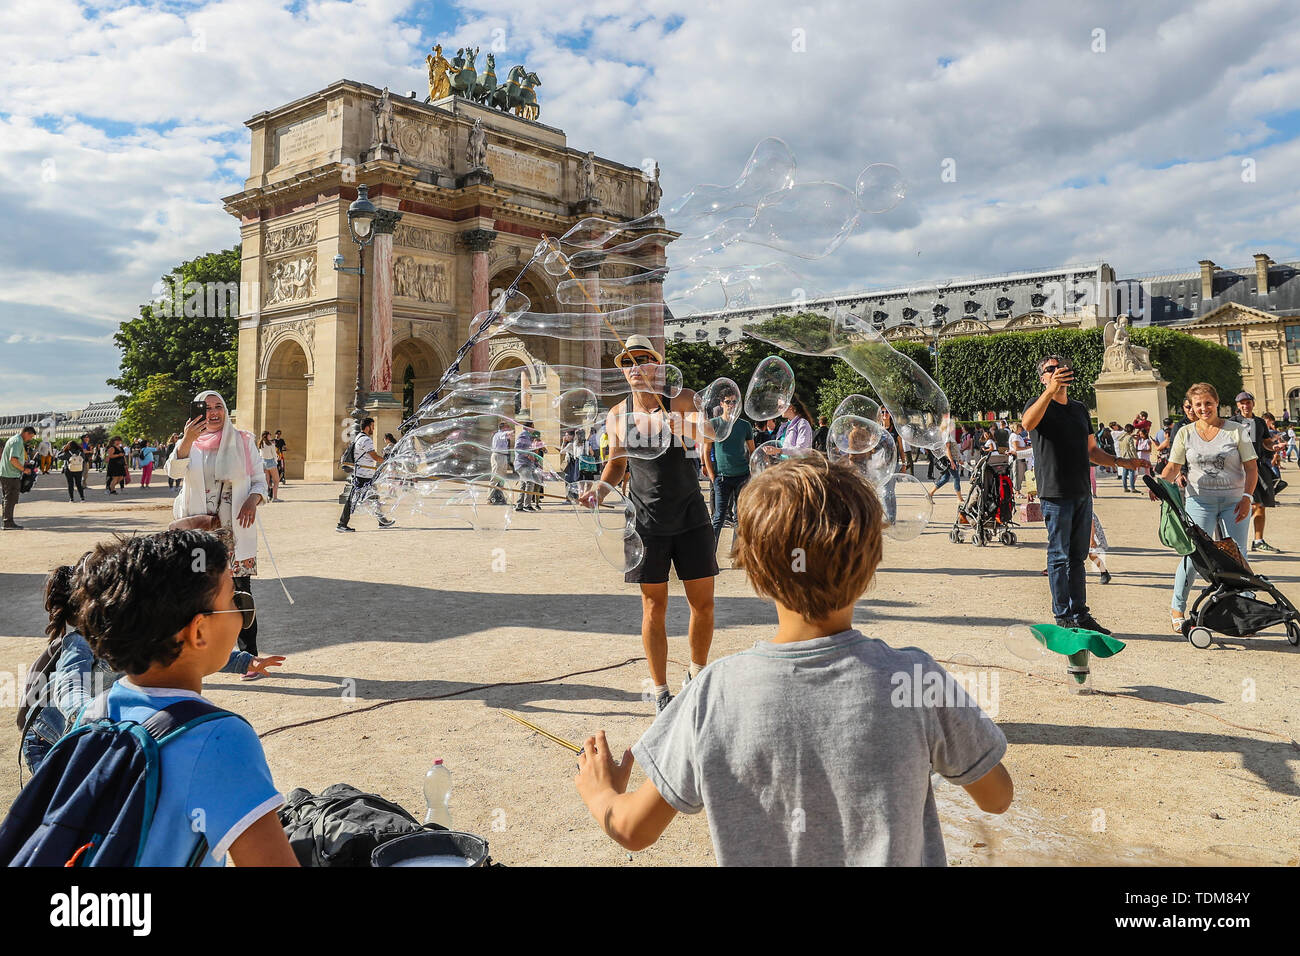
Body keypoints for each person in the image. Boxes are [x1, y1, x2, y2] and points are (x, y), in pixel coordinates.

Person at [574, 457, 1013, 864]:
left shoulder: (715, 691)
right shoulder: (916, 679)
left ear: (755, 571)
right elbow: (997, 797)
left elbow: (632, 829)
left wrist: (602, 793)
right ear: (871, 564)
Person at [65, 531, 298, 865]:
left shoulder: (96, 711)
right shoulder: (220, 738)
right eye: (235, 601)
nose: (242, 617)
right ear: (199, 631)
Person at [20, 549, 285, 773]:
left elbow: (181, 648)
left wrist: (243, 662)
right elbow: (68, 686)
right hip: (51, 741)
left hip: (98, 735)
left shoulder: (140, 628)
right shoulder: (79, 642)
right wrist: (87, 716)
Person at [580, 335, 717, 714]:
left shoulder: (683, 399)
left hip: (690, 515)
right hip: (644, 520)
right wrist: (600, 490)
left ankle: (697, 674)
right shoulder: (617, 414)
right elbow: (617, 463)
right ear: (622, 370)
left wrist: (684, 425)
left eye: (643, 358)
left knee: (702, 604)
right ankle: (660, 691)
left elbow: (711, 434)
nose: (636, 366)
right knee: (653, 607)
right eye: (628, 361)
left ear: (658, 364)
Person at [1022, 355, 1147, 634]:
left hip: (1081, 491)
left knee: (1078, 556)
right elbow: (1028, 424)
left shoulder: (1079, 410)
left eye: (1060, 368)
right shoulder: (1037, 404)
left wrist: (1121, 462)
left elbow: (1092, 450)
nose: (1056, 372)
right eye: (1049, 370)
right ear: (1043, 377)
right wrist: (1049, 393)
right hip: (1054, 492)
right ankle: (1062, 614)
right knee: (1058, 555)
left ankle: (1080, 613)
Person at [169, 390, 270, 668]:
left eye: (218, 406)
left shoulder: (244, 441)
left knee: (240, 596)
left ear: (225, 410)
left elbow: (260, 481)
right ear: (198, 411)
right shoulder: (190, 444)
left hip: (236, 533)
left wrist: (253, 498)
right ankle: (197, 657)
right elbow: (174, 473)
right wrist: (188, 440)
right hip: (201, 535)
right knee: (197, 594)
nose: (213, 412)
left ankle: (249, 658)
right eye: (206, 407)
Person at [1162, 383, 1258, 632]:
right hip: (1199, 501)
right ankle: (1177, 608)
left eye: (1208, 403)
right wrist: (1160, 485)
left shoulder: (1236, 430)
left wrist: (1247, 497)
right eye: (1198, 404)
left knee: (1237, 556)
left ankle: (1242, 607)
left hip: (1234, 501)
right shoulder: (1185, 432)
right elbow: (1173, 467)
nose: (1203, 408)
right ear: (1191, 408)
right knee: (1193, 556)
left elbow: (1251, 468)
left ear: (1217, 403)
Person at [1228, 392, 1281, 553]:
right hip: (1238, 469)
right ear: (1237, 406)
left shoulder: (1259, 422)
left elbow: (1266, 442)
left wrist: (1274, 447)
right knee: (1252, 504)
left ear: (1253, 404)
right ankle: (1231, 534)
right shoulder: (1231, 422)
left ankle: (1258, 540)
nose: (1245, 405)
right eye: (1242, 403)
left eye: (1248, 402)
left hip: (1256, 467)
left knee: (1261, 505)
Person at [701, 395, 755, 552]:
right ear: (721, 404)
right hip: (722, 477)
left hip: (742, 476)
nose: (731, 405)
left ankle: (736, 555)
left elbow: (752, 450)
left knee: (740, 517)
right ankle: (709, 554)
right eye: (728, 402)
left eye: (734, 402)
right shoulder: (714, 424)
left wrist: (751, 472)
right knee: (718, 517)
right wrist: (712, 476)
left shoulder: (744, 425)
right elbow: (707, 450)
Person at [337, 417, 395, 532]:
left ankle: (382, 521)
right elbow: (374, 456)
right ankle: (342, 524)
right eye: (372, 426)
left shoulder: (359, 437)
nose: (373, 429)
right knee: (352, 499)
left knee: (374, 497)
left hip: (364, 474)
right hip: (363, 475)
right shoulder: (366, 440)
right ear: (367, 427)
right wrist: (386, 460)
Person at [2, 426, 37, 529]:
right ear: (26, 433)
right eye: (30, 436)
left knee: (8, 498)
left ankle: (8, 522)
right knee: (10, 499)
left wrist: (23, 463)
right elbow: (13, 459)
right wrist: (23, 469)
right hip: (10, 474)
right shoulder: (17, 441)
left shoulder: (14, 439)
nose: (30, 439)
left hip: (7, 473)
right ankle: (8, 523)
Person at [926, 417, 963, 504]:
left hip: (951, 459)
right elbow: (947, 449)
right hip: (950, 460)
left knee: (945, 478)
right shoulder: (946, 435)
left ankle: (930, 494)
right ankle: (959, 498)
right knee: (956, 478)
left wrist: (958, 459)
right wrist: (952, 461)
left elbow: (952, 449)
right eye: (952, 424)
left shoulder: (947, 434)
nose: (954, 425)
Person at [514, 420, 542, 512]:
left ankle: (519, 505)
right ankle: (527, 505)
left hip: (525, 463)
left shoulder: (527, 436)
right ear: (529, 427)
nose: (534, 428)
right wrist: (528, 455)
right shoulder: (524, 435)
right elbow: (518, 448)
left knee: (524, 484)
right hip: (523, 464)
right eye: (533, 426)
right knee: (530, 482)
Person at [488, 420, 513, 505]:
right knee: (495, 477)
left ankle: (499, 496)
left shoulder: (503, 435)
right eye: (507, 426)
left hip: (503, 456)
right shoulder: (499, 434)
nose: (509, 428)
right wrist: (513, 430)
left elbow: (508, 436)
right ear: (503, 427)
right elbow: (507, 434)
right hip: (498, 456)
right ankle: (490, 497)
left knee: (502, 478)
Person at [258, 430, 280, 502]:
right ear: (266, 436)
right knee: (276, 481)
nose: (270, 436)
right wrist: (276, 462)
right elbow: (274, 454)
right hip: (271, 462)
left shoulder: (260, 444)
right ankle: (275, 498)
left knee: (267, 482)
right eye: (269, 435)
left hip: (263, 462)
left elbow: (260, 455)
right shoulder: (271, 444)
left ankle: (267, 498)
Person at [1008, 423, 1031, 493]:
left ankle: (1018, 490)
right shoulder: (1015, 436)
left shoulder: (1017, 436)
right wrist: (1028, 447)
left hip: (1020, 457)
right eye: (1020, 427)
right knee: (1017, 475)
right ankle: (1017, 492)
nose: (1021, 428)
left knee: (1019, 475)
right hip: (1017, 458)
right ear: (1016, 428)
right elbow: (1016, 448)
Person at [1116, 424, 1138, 492]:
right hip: (1129, 456)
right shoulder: (1129, 437)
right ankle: (1132, 488)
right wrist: (1136, 457)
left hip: (1123, 456)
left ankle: (1125, 488)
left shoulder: (1121, 437)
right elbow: (1132, 449)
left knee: (1124, 473)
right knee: (1131, 473)